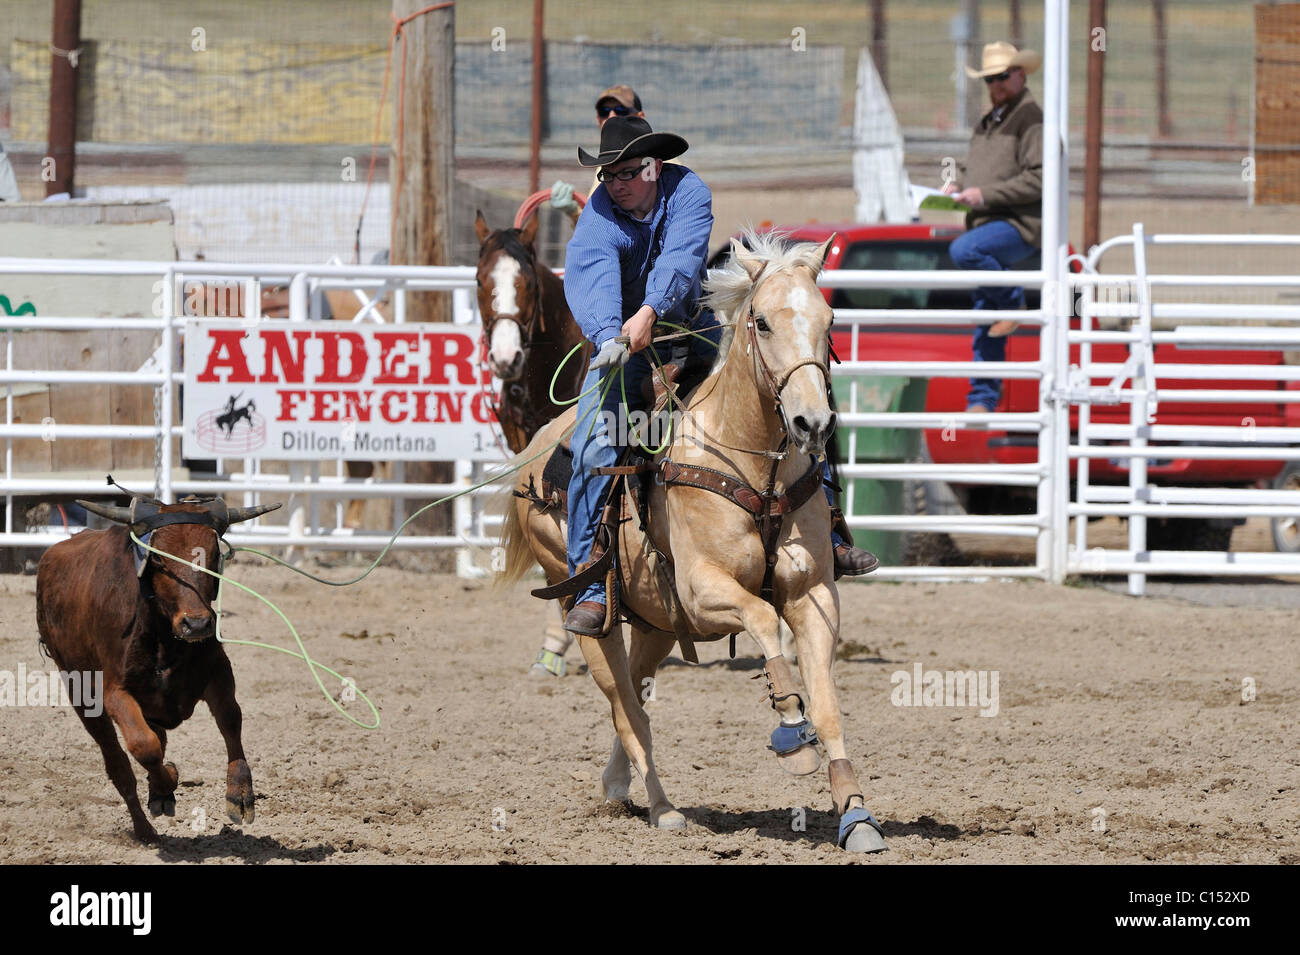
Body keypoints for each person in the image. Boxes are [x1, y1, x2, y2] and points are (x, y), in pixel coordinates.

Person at [560, 116, 877, 637]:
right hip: (623, 348)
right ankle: (590, 581)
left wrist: (649, 312)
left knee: (793, 393)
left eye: (625, 173)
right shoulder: (599, 218)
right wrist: (609, 333)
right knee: (596, 444)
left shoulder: (688, 193)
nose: (614, 184)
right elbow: (590, 275)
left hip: (693, 328)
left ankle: (831, 533)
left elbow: (681, 263)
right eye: (607, 174)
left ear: (654, 167)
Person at [942, 41, 1044, 414]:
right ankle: (982, 397)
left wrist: (982, 193)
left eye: (1002, 77)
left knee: (966, 251)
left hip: (1019, 223)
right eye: (990, 79)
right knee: (987, 312)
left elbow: (1040, 179)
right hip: (991, 220)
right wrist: (960, 187)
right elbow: (983, 170)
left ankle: (1012, 299)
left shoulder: (1031, 119)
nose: (996, 85)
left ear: (1020, 74)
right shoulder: (993, 118)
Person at [549, 84, 647, 226]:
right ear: (598, 120)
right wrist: (574, 212)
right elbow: (596, 228)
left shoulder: (662, 163)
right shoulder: (605, 167)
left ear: (640, 118)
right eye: (604, 111)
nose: (611, 116)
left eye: (621, 110)